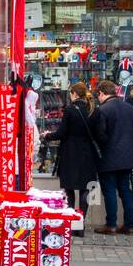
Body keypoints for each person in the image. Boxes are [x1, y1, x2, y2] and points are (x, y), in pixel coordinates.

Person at [44, 83, 100, 225]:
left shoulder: (70, 110)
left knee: (69, 188)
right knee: (84, 189)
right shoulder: (94, 110)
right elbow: (99, 134)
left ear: (74, 93)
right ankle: (80, 223)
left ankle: (70, 221)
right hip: (88, 154)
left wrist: (47, 135)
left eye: (70, 93)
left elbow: (61, 133)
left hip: (70, 154)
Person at [91, 79, 133, 235]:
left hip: (108, 157)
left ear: (102, 93)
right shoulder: (130, 109)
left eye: (97, 95)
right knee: (125, 190)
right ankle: (129, 225)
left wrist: (100, 149)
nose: (97, 98)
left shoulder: (103, 110)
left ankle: (111, 224)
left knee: (110, 191)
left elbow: (100, 135)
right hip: (127, 157)